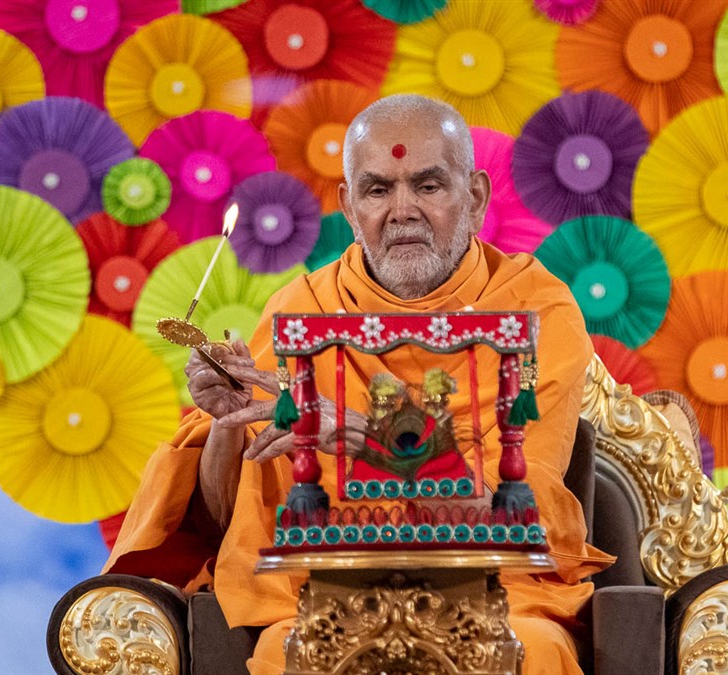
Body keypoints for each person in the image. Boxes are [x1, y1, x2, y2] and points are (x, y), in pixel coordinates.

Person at [104, 94, 614, 674]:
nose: (402, 211)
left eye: (428, 186)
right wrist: (228, 427)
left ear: (475, 197)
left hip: (497, 592)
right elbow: (226, 523)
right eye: (377, 190)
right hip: (327, 593)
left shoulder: (534, 310)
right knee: (284, 650)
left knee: (535, 651)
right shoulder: (303, 310)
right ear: (349, 206)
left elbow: (519, 522)